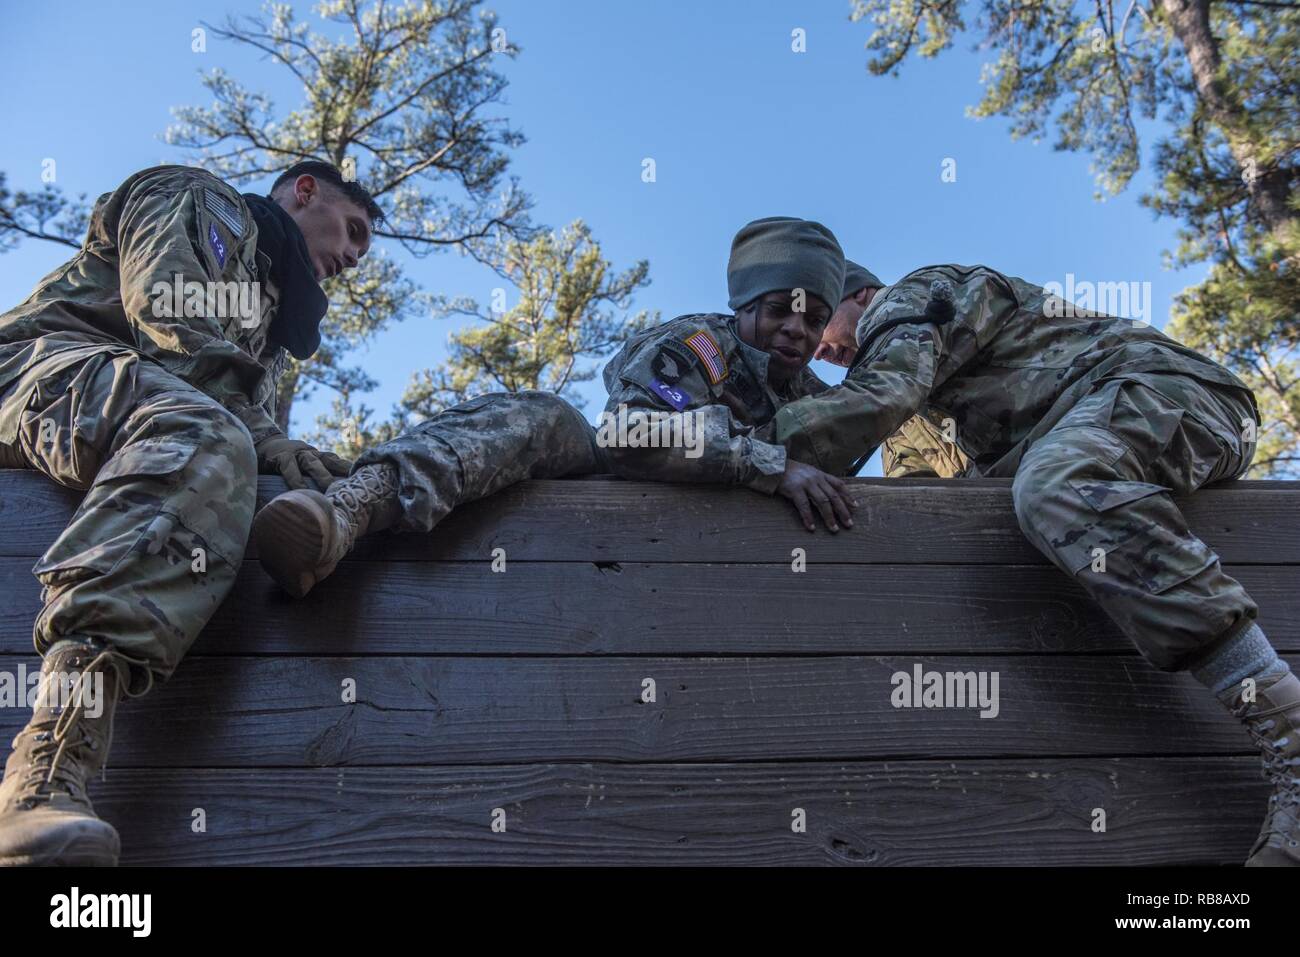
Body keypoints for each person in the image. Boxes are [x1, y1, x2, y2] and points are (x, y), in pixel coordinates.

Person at [764, 259, 1298, 866]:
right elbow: (920, 515)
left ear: (858, 294)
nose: (814, 348)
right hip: (1094, 437)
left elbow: (876, 396)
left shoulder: (919, 297)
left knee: (1057, 484)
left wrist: (738, 451)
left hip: (1165, 391)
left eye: (817, 319)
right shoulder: (912, 419)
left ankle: (1286, 724)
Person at [0, 159, 380, 866]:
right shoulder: (203, 201)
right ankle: (44, 772)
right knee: (201, 432)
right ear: (305, 191)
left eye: (362, 251)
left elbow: (229, 410)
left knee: (220, 443)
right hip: (29, 367)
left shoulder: (262, 323)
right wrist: (261, 438)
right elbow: (171, 324)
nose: (353, 255)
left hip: (124, 406)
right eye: (353, 228)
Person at [250, 216, 856, 600]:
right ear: (746, 305)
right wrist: (769, 465)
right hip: (612, 496)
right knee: (546, 417)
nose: (797, 330)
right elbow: (629, 434)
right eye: (780, 309)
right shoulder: (698, 345)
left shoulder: (810, 398)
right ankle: (346, 513)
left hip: (724, 576)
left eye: (815, 318)